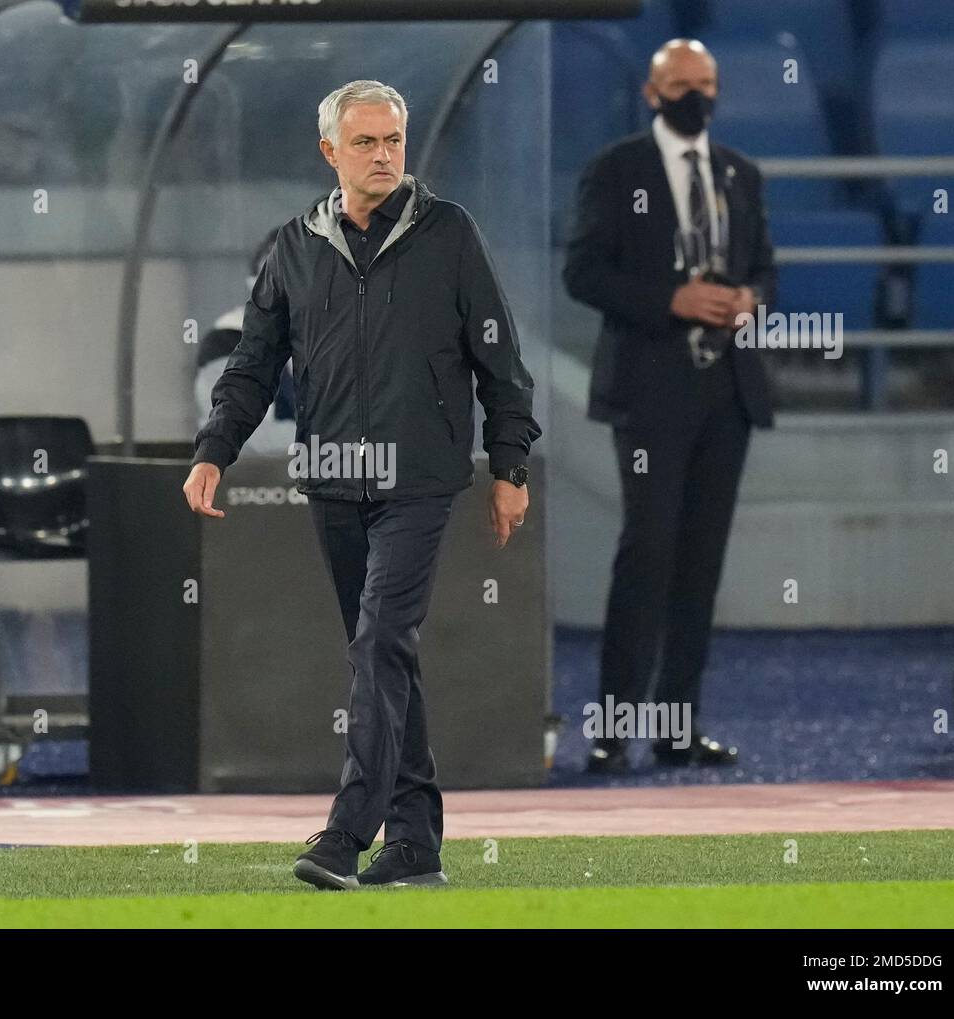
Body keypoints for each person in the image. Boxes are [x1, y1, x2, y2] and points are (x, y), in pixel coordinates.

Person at [183, 80, 540, 888]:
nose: (384, 156)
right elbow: (252, 365)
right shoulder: (294, 245)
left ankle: (347, 831)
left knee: (380, 640)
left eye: (394, 141)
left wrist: (510, 464)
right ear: (330, 152)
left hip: (420, 478)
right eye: (366, 143)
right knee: (384, 654)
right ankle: (415, 844)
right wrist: (214, 450)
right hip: (334, 480)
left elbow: (501, 362)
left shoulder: (451, 234)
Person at [564, 39, 777, 774]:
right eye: (682, 85)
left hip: (727, 390)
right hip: (650, 390)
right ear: (653, 94)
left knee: (700, 561)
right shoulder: (617, 170)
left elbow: (765, 267)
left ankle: (678, 727)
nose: (696, 96)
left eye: (707, 84)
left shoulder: (738, 173)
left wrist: (750, 298)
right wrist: (671, 299)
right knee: (648, 551)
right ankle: (616, 727)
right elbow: (583, 272)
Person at [194, 229, 297, 456]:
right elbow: (248, 435)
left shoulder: (332, 341)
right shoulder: (226, 341)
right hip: (247, 483)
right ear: (255, 285)